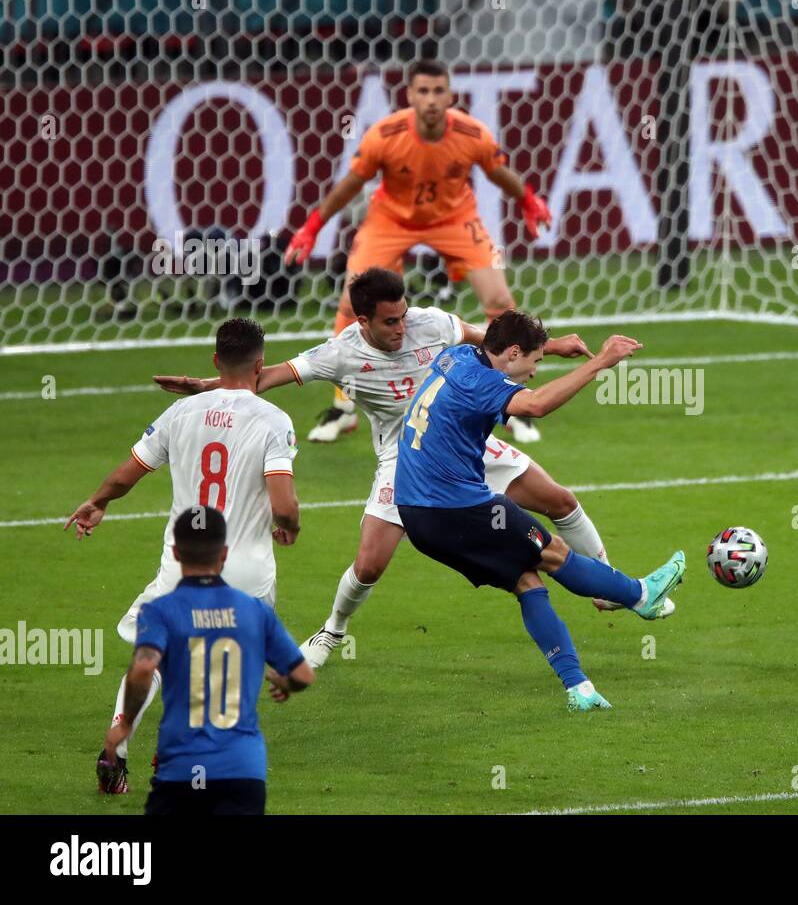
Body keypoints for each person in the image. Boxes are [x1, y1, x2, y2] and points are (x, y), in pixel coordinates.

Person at [151, 268, 663, 670]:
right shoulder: (340, 355)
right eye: (390, 321)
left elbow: (489, 343)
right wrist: (206, 386)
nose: (403, 328)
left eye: (403, 315)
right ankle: (333, 628)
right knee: (371, 563)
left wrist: (550, 346)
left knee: (561, 500)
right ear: (362, 321)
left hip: (467, 441)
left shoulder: (433, 322)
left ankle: (609, 587)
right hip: (405, 456)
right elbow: (265, 378)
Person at [395, 310, 685, 711]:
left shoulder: (456, 357)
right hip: (458, 507)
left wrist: (550, 345)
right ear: (514, 352)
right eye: (535, 361)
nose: (533, 371)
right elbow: (535, 407)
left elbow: (498, 346)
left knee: (526, 581)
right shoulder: (484, 381)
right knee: (554, 552)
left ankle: (579, 689)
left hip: (415, 514)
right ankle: (639, 595)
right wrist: (601, 361)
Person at [67, 318, 301, 793]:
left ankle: (118, 743)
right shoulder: (274, 420)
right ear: (260, 364)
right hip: (245, 570)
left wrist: (98, 502)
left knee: (152, 655)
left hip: (183, 561)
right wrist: (288, 528)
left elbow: (127, 473)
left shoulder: (181, 414)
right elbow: (284, 504)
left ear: (215, 361)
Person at [283, 58, 552, 445]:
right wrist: (311, 227)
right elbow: (350, 183)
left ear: (450, 95)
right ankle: (343, 406)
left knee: (499, 299)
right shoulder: (386, 134)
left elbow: (496, 173)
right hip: (391, 219)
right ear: (410, 95)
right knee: (350, 302)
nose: (430, 100)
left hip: (454, 216)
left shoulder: (471, 133)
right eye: (422, 91)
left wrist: (528, 200)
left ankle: (509, 397)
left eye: (438, 91)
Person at [102, 507, 314, 815]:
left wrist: (127, 724)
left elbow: (145, 667)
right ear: (224, 553)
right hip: (244, 769)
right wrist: (285, 682)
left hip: (181, 766)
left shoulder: (160, 612)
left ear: (175, 552)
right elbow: (303, 675)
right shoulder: (255, 612)